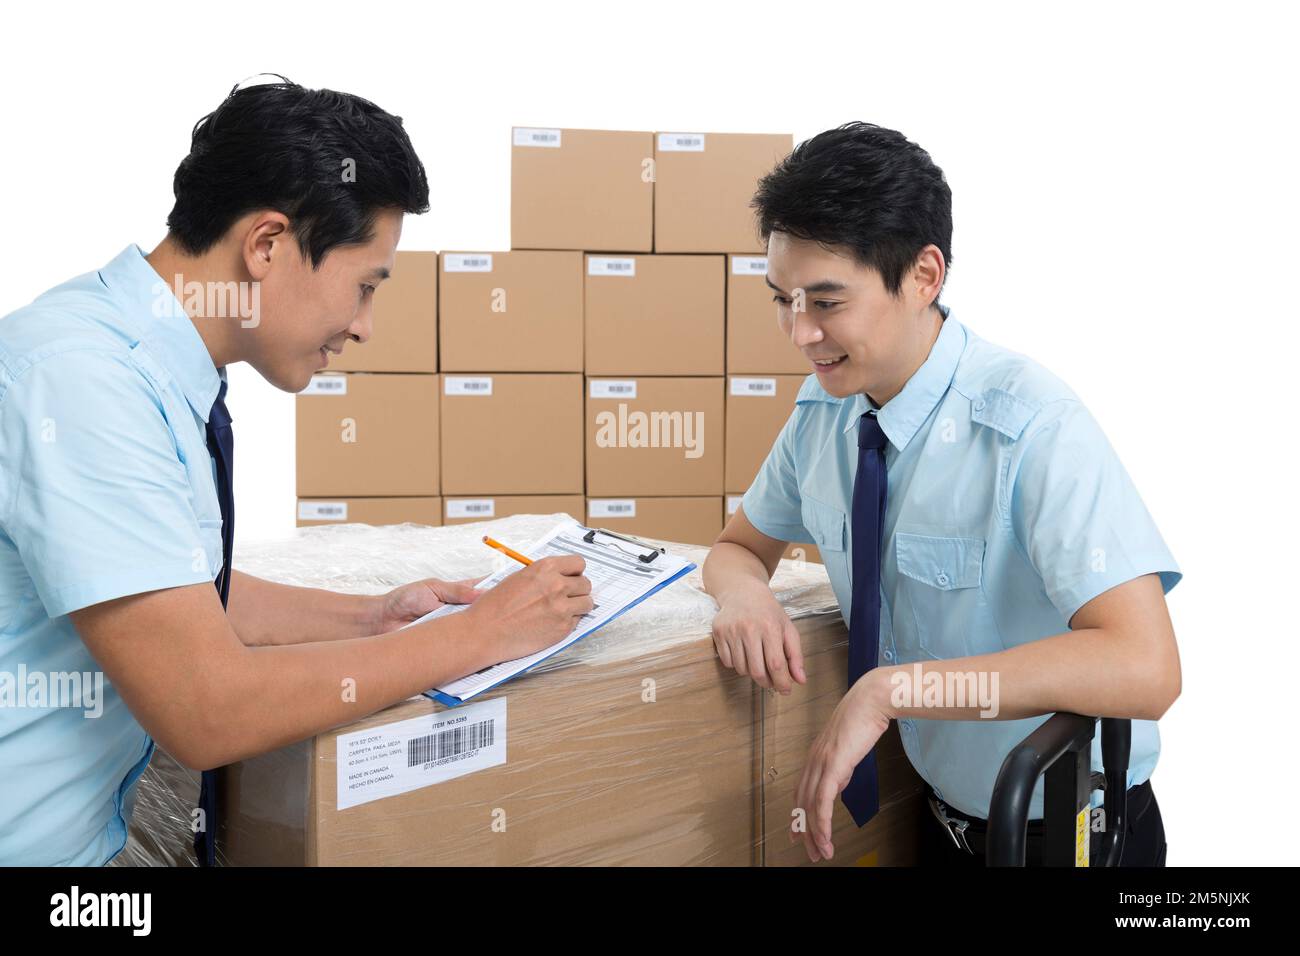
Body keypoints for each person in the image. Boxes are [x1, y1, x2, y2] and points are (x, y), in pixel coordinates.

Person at [0, 77, 592, 866]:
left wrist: (370, 618)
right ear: (268, 245)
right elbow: (206, 709)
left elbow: (170, 591)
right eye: (365, 285)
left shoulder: (145, 363)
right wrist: (478, 636)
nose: (363, 326)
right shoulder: (82, 380)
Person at [702, 122, 1180, 866]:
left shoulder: (1032, 427)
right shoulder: (825, 415)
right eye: (783, 299)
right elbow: (738, 548)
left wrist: (894, 691)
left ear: (925, 275)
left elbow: (1146, 667)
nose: (799, 332)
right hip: (939, 822)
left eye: (827, 302)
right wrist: (745, 597)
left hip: (1064, 835)